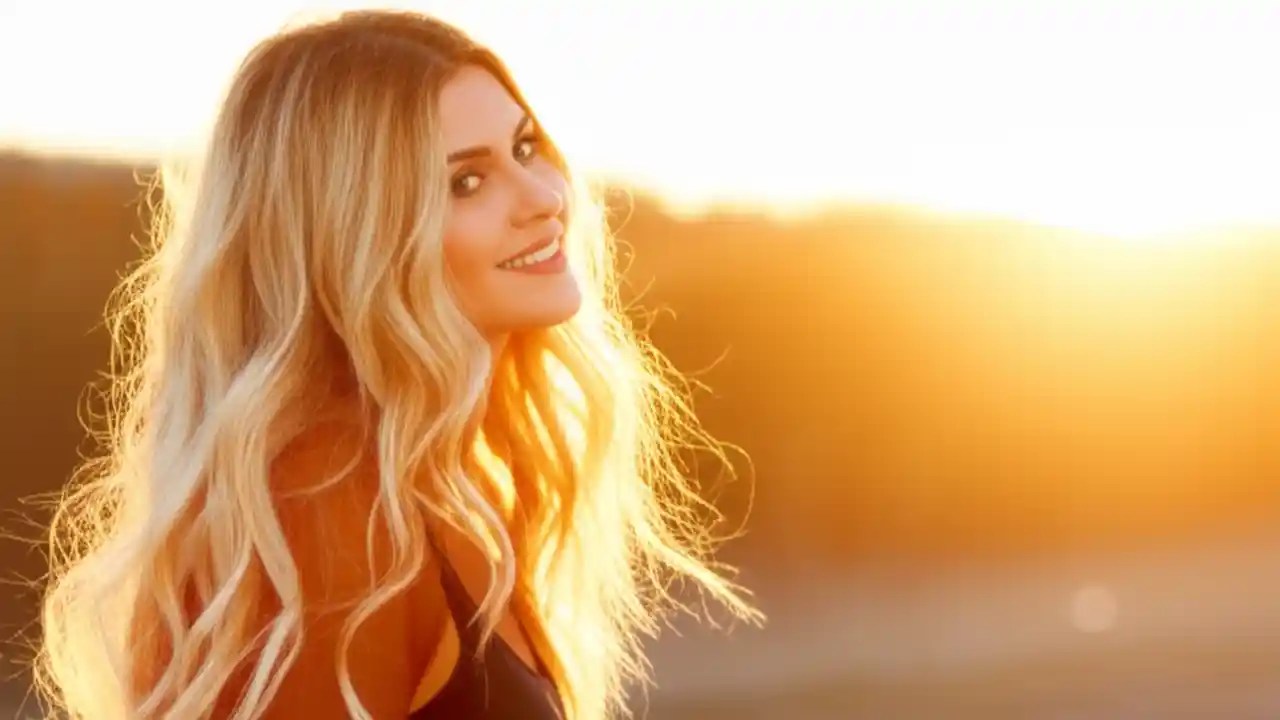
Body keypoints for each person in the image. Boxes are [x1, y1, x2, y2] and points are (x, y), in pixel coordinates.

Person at [33, 8, 764, 720]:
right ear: (358, 235)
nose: (542, 198)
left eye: (527, 147)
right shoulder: (329, 502)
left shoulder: (449, 487)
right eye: (465, 182)